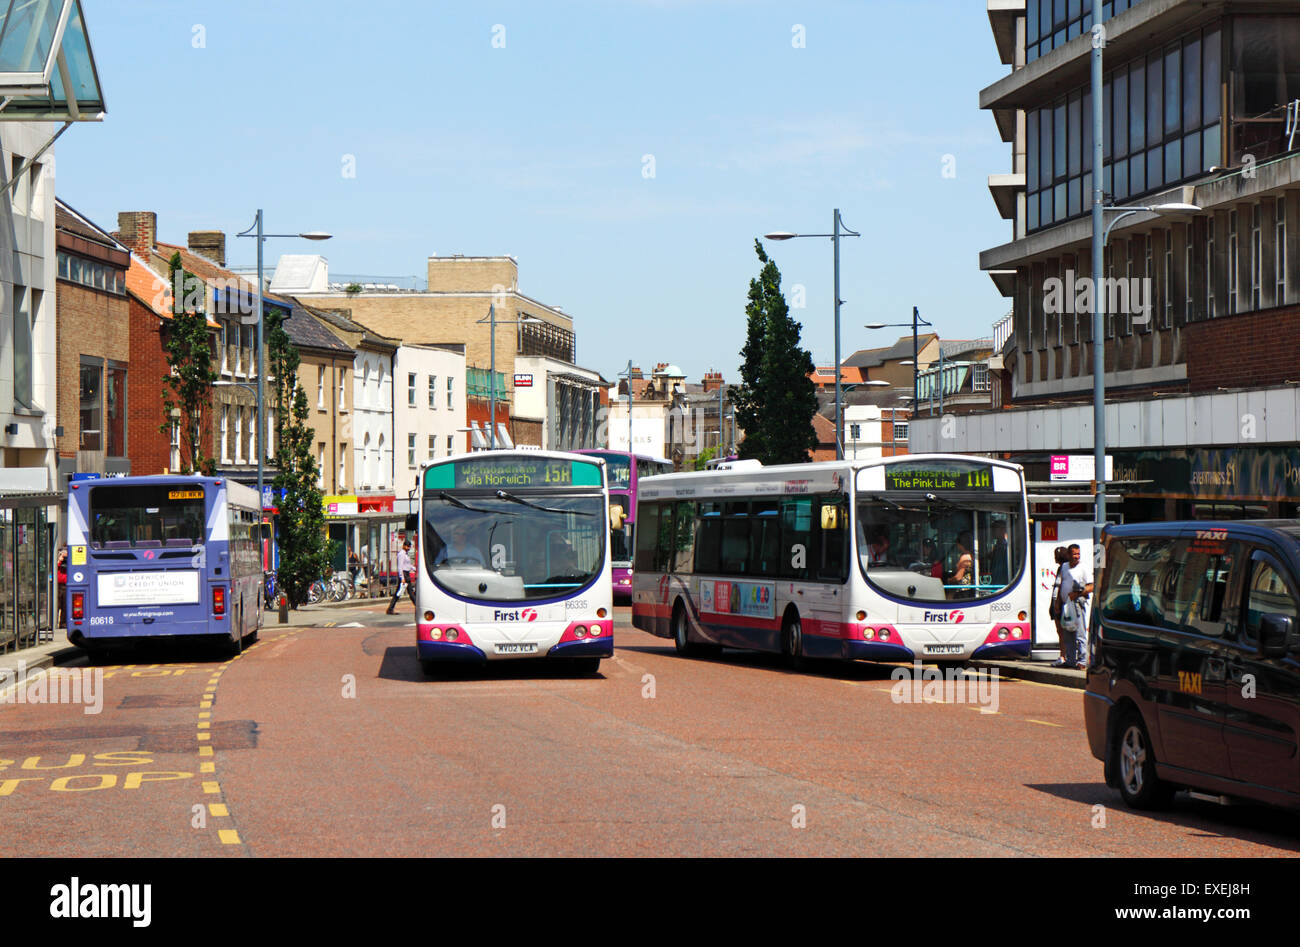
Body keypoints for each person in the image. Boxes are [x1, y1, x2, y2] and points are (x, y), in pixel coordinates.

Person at [1059, 543, 1094, 669]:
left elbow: (1091, 586)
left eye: (1078, 554)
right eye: (1074, 554)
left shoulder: (1083, 567)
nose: (1076, 556)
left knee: (1080, 633)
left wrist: (1078, 593)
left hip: (1078, 603)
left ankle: (1082, 661)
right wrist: (1058, 602)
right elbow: (1061, 584)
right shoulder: (1064, 567)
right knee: (1068, 632)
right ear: (1068, 555)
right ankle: (1070, 660)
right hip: (1066, 605)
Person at [1048, 545, 1070, 667]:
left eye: (1056, 556)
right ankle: (1063, 655)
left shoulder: (1065, 569)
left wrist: (1056, 604)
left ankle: (1064, 656)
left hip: (1061, 604)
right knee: (1060, 631)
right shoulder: (1060, 569)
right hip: (1056, 602)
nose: (1055, 558)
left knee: (1062, 632)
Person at [386, 540, 416, 614]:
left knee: (406, 592)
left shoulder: (406, 554)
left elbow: (408, 565)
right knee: (406, 592)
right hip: (404, 574)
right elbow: (400, 566)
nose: (408, 548)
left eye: (409, 547)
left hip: (407, 574)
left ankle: (390, 608)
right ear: (403, 546)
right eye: (407, 546)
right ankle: (390, 609)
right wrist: (402, 577)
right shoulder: (401, 554)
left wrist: (414, 568)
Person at [948, 531, 974, 596]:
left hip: (963, 591)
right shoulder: (971, 555)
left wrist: (949, 580)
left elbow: (958, 577)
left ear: (961, 544)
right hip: (969, 590)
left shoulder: (965, 557)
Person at [56, 548, 68, 628]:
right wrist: (59, 560)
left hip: (66, 585)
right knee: (57, 604)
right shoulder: (58, 563)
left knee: (65, 605)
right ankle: (54, 622)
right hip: (58, 585)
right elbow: (55, 568)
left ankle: (63, 623)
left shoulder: (69, 562)